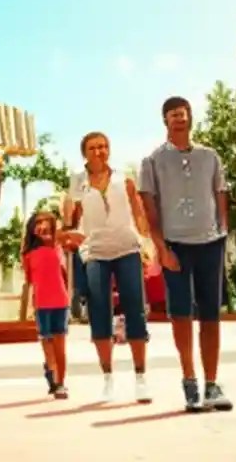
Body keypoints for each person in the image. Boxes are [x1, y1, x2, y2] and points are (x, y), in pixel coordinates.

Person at [140, 97, 233, 413]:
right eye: (171, 115)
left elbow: (220, 192)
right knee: (181, 314)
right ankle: (190, 381)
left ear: (190, 118)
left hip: (210, 244)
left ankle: (212, 383)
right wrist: (161, 248)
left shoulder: (210, 156)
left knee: (211, 314)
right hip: (175, 246)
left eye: (182, 114)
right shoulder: (152, 161)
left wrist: (222, 231)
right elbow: (150, 210)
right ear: (165, 122)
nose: (178, 119)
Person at [62, 131, 152, 403]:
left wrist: (147, 243)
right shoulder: (77, 183)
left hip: (127, 249)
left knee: (135, 310)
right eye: (92, 148)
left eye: (103, 147)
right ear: (84, 153)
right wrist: (70, 235)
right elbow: (70, 219)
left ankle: (140, 377)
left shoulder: (124, 178)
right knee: (100, 312)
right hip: (95, 253)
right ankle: (108, 379)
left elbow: (139, 213)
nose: (98, 152)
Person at [21, 211, 71, 399]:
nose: (42, 227)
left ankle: (60, 383)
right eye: (38, 223)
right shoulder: (28, 254)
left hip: (60, 302)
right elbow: (29, 280)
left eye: (47, 223)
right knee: (48, 344)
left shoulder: (58, 248)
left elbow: (64, 274)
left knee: (60, 345)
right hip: (42, 305)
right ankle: (52, 373)